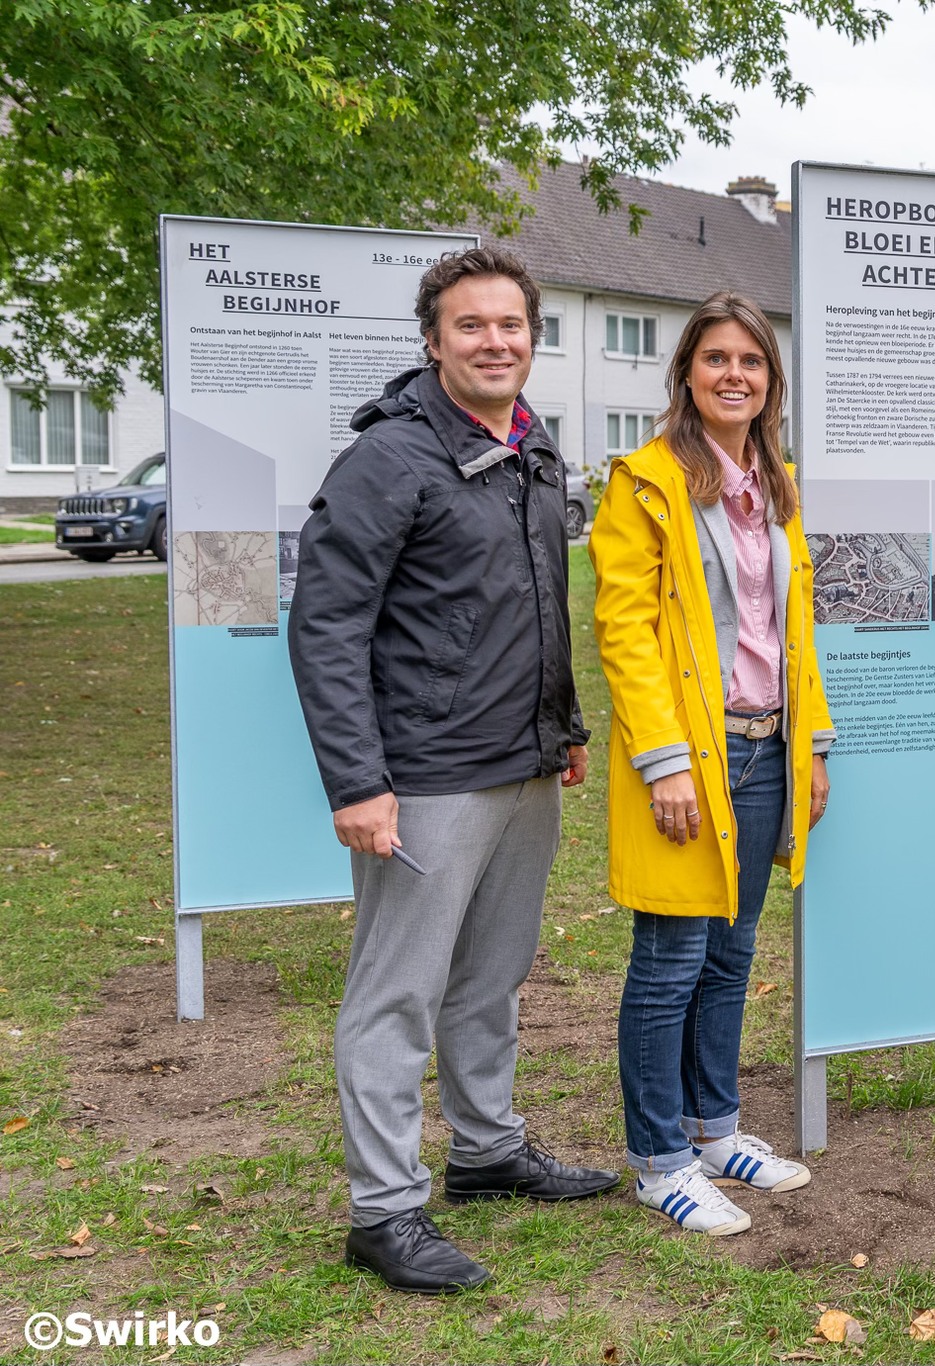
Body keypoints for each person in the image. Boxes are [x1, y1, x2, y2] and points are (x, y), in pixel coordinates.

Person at [289, 245, 619, 1294]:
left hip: (520, 765)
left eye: (511, 326)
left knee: (492, 978)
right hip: (424, 776)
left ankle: (486, 1152)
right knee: (395, 993)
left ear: (532, 337)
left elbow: (536, 600)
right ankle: (383, 1211)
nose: (494, 342)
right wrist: (356, 781)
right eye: (471, 326)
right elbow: (328, 624)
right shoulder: (389, 459)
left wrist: (560, 727)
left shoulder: (531, 445)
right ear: (433, 341)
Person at [588, 291, 834, 1237]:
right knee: (671, 959)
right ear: (686, 372)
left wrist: (811, 742)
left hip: (769, 743)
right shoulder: (643, 481)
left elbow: (792, 632)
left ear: (770, 381)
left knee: (731, 955)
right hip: (692, 755)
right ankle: (658, 1160)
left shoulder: (777, 484)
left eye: (753, 362)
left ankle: (713, 1125)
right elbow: (627, 632)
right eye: (717, 358)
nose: (735, 375)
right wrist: (664, 764)